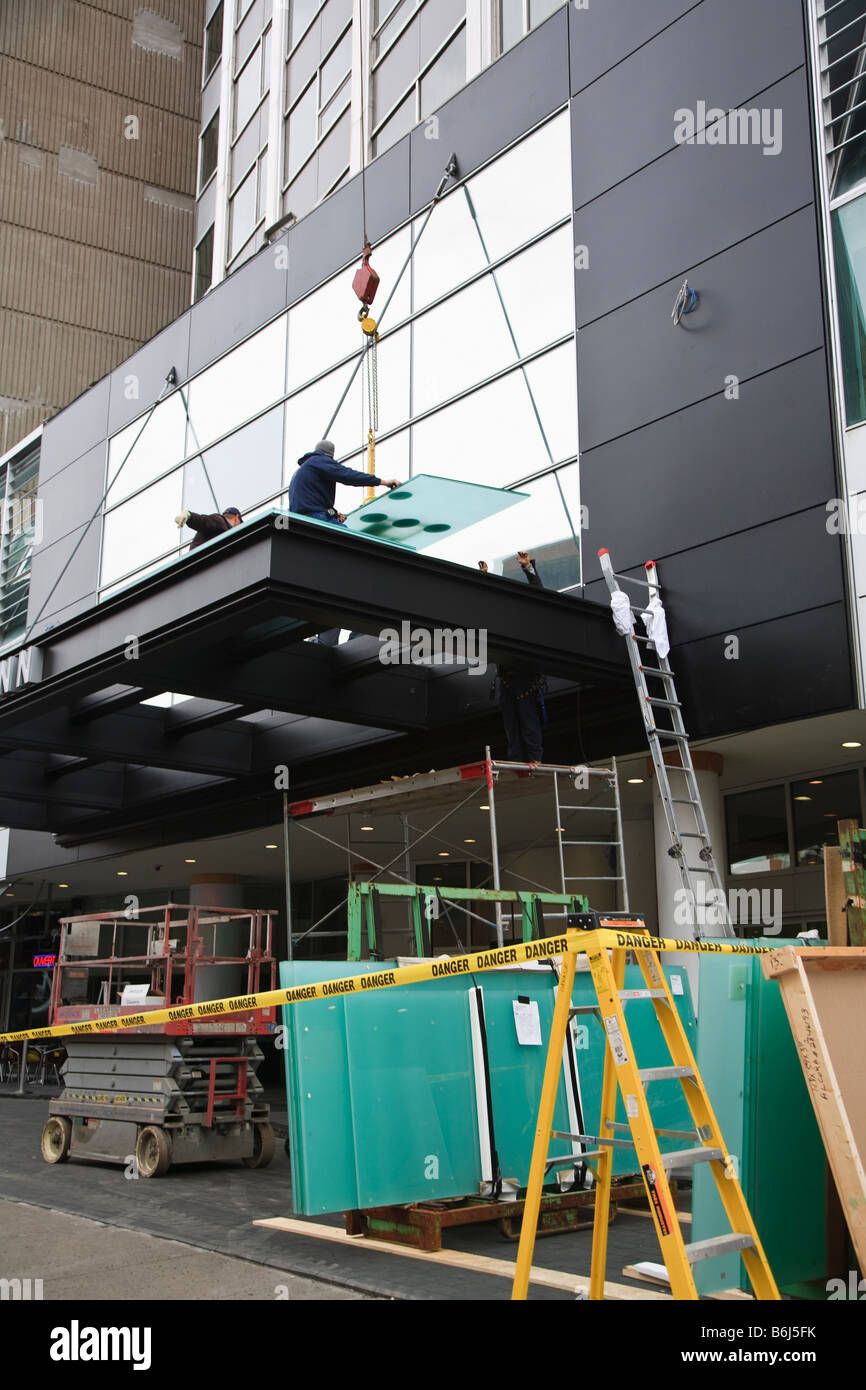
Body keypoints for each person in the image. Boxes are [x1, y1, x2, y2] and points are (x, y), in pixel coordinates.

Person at [480, 551, 547, 765]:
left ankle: (534, 759)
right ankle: (518, 761)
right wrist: (484, 579)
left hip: (525, 677)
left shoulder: (526, 618)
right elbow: (489, 603)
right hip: (508, 678)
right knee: (511, 724)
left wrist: (528, 568)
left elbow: (539, 596)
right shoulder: (502, 619)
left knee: (527, 720)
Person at [289, 440, 400, 521]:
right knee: (353, 543)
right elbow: (349, 476)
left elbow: (311, 505)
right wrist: (383, 482)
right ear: (330, 456)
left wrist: (334, 514)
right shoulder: (320, 461)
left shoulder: (303, 470)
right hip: (316, 518)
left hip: (301, 521)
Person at [175, 506, 243, 550]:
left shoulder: (221, 523)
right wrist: (189, 515)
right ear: (237, 517)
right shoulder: (220, 520)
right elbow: (203, 521)